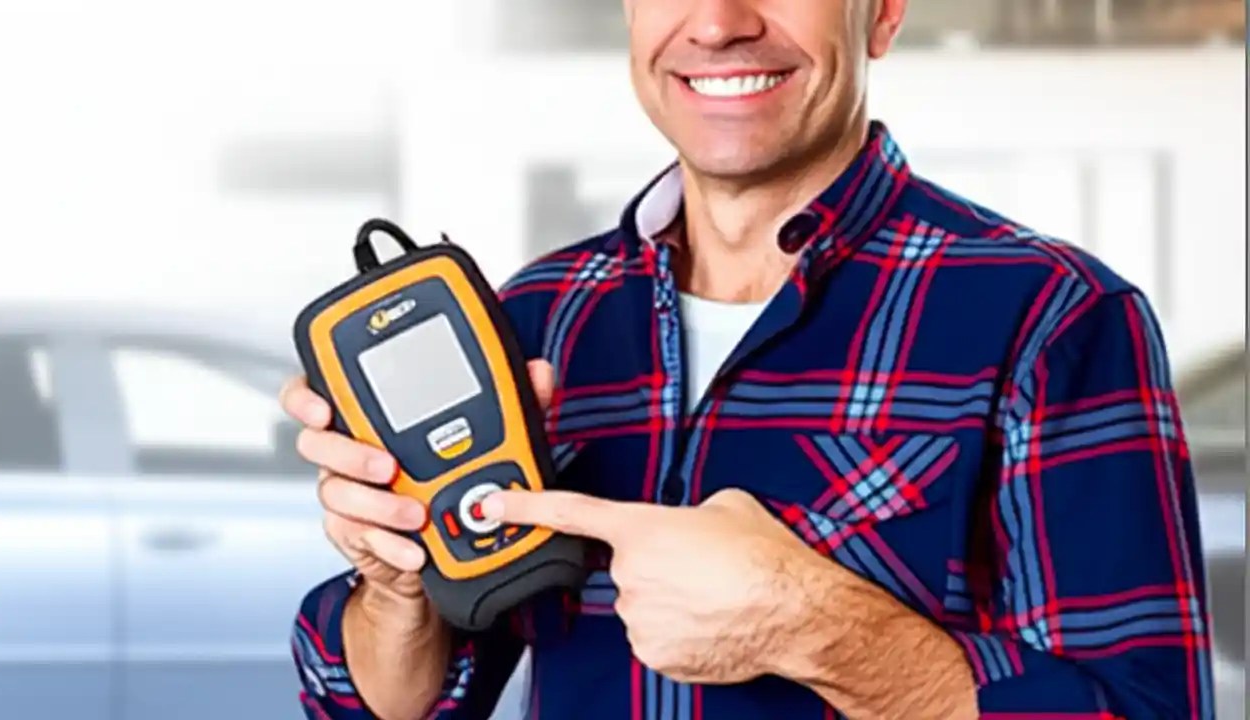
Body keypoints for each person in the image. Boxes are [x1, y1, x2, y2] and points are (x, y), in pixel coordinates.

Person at [282, 1, 1216, 718]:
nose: (722, 23)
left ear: (882, 11)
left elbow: (1146, 707)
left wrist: (811, 624)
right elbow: (390, 704)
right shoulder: (533, 317)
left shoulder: (1053, 317)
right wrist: (396, 589)